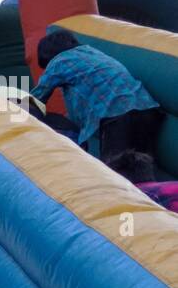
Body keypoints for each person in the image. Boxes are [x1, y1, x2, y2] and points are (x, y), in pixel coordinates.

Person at [31, 31, 164, 179]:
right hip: (147, 108)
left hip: (117, 115)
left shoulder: (58, 62)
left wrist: (12, 109)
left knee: (116, 176)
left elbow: (36, 98)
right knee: (141, 169)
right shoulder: (92, 52)